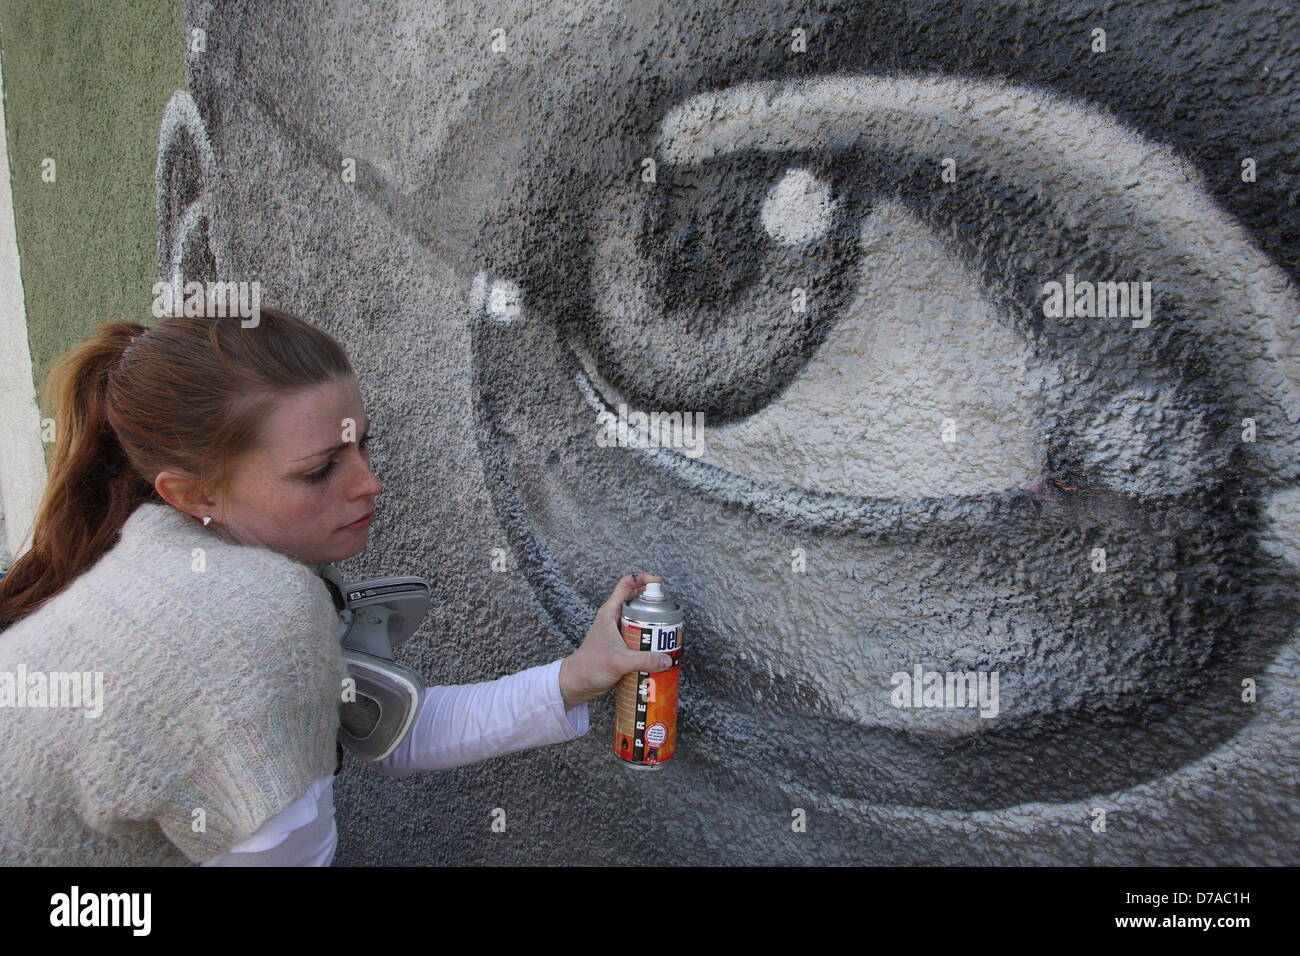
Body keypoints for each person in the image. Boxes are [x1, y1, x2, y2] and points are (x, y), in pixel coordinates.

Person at [0, 307, 673, 865]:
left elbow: (389, 730)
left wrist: (574, 677)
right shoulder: (238, 617)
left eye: (362, 445)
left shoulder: (181, 545)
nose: (368, 483)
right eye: (321, 470)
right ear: (194, 491)